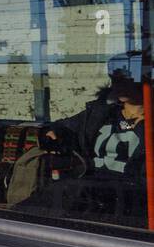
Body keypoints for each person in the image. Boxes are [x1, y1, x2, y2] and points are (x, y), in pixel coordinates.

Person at [11, 67, 147, 226]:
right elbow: (64, 126)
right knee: (66, 190)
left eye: (127, 80)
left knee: (71, 189)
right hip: (92, 189)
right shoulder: (101, 114)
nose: (119, 84)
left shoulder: (149, 125)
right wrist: (55, 133)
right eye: (116, 79)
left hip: (130, 194)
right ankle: (17, 223)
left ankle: (17, 223)